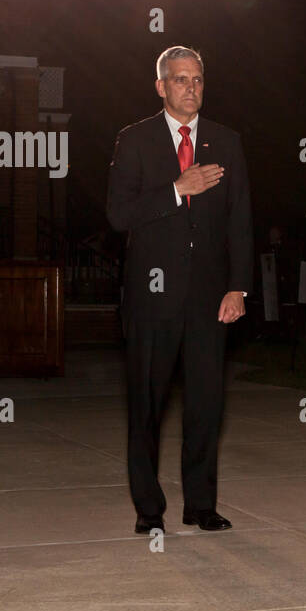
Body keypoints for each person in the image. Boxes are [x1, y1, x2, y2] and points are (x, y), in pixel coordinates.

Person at [107, 46, 253, 535]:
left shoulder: (226, 142)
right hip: (153, 296)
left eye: (197, 79)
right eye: (180, 79)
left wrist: (238, 288)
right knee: (147, 406)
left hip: (210, 299)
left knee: (206, 404)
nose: (191, 87)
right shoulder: (135, 140)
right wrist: (177, 188)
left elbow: (240, 222)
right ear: (161, 87)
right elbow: (119, 214)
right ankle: (150, 510)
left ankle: (201, 504)